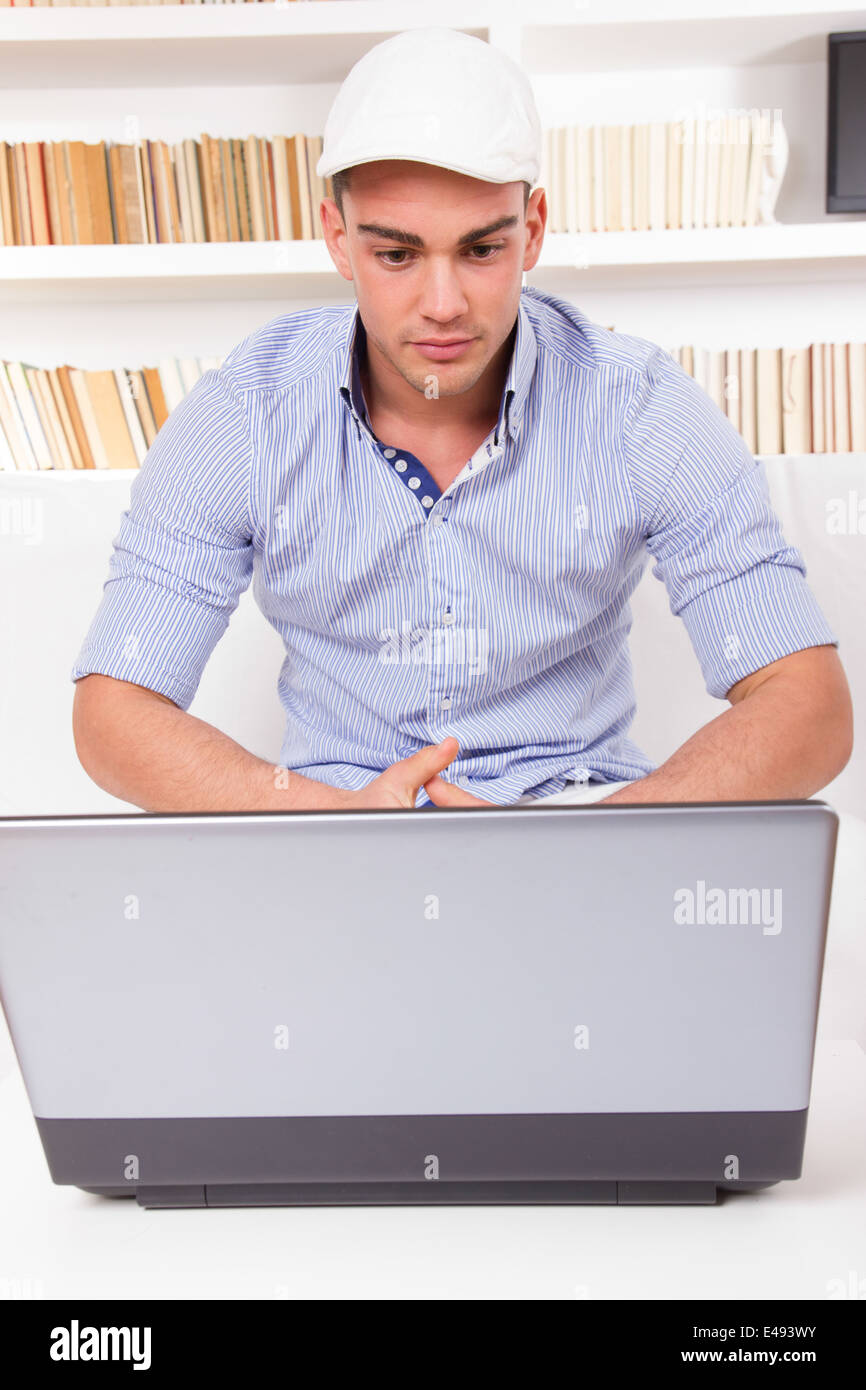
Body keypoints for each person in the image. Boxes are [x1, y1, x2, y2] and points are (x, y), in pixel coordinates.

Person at [71, 28, 852, 813]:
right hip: (330, 830)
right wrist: (329, 814)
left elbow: (808, 704)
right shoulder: (247, 411)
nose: (443, 305)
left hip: (578, 837)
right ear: (339, 240)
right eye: (397, 255)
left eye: (480, 250)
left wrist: (604, 841)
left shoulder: (637, 405)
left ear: (533, 231)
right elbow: (114, 713)